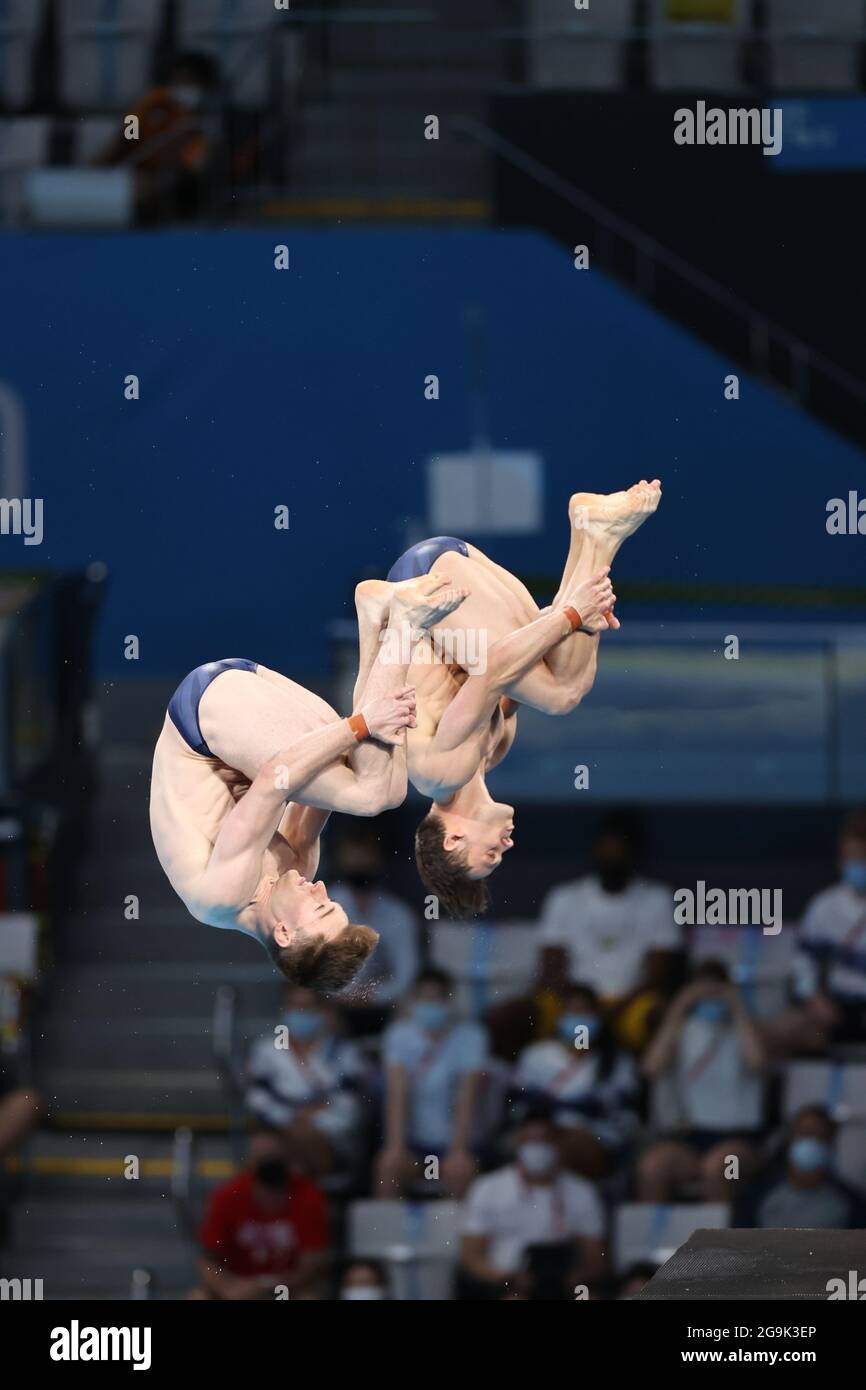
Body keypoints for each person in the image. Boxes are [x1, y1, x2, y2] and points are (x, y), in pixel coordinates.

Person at [353, 481, 661, 916]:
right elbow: (520, 658)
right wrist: (575, 621)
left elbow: (495, 666)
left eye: (492, 855)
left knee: (561, 696)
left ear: (454, 838)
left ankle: (597, 535)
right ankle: (591, 532)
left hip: (426, 587)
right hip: (451, 578)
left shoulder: (439, 773)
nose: (507, 845)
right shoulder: (492, 752)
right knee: (560, 673)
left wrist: (575, 615)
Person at [149, 576, 465, 988]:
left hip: (204, 718)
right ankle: (376, 618)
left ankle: (400, 625)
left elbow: (273, 781)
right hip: (242, 713)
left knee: (372, 793)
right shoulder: (297, 869)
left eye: (319, 908)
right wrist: (374, 725)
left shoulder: (220, 897)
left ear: (284, 933)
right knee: (380, 785)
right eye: (330, 901)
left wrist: (363, 723)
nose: (320, 888)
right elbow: (332, 776)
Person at [537, 809, 681, 1049]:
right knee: (515, 1015)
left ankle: (644, 1084)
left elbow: (659, 976)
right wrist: (581, 1006)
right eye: (607, 849)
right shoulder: (564, 898)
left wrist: (613, 1011)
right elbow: (550, 968)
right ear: (595, 850)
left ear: (634, 853)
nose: (613, 856)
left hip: (631, 1003)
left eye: (620, 850)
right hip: (573, 1000)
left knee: (659, 1016)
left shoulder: (657, 900)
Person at [638, 961, 766, 1203]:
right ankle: (654, 1239)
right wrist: (679, 1006)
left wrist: (737, 1006)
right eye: (701, 992)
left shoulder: (747, 1030)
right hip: (691, 1139)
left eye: (715, 992)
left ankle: (717, 1242)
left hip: (739, 1144)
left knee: (717, 1169)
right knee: (652, 1167)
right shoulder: (683, 1030)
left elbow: (758, 1063)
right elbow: (651, 1068)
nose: (709, 998)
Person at [459, 1113, 606, 1299]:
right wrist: (507, 1277)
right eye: (530, 1140)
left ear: (558, 1145)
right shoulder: (488, 1188)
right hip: (506, 1286)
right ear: (518, 1144)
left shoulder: (582, 1191)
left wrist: (576, 1276)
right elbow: (471, 1256)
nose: (537, 1148)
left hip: (564, 1287)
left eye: (544, 1139)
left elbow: (596, 1257)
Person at [375, 967, 488, 1199]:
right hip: (415, 1145)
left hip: (455, 1142)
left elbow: (467, 1098)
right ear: (414, 1001)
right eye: (425, 999)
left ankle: (457, 1234)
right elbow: (398, 1095)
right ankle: (387, 1233)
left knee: (459, 1170)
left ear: (449, 1001)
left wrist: (458, 1150)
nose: (431, 1005)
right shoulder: (399, 1035)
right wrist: (396, 1147)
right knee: (389, 1166)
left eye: (437, 999)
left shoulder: (472, 1036)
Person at [763, 807, 866, 1056]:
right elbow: (802, 962)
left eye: (862, 859)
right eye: (850, 858)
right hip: (836, 1013)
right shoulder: (825, 905)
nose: (855, 866)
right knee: (773, 1034)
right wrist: (813, 998)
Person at [513, 983, 640, 1179]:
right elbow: (519, 1106)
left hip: (596, 1138)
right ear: (560, 1017)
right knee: (536, 1140)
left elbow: (625, 1118)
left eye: (583, 1011)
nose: (578, 1019)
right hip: (541, 1133)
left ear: (597, 1017)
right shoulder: (536, 1056)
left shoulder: (618, 1062)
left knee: (565, 1145)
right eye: (572, 1011)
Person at [245, 986, 368, 1176]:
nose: (299, 1012)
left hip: (330, 1138)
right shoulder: (266, 1050)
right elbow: (257, 1100)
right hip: (280, 1129)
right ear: (284, 1009)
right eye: (294, 1006)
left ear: (322, 1011)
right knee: (264, 1146)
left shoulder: (345, 1052)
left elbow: (350, 1108)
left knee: (294, 1147)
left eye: (307, 1007)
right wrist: (291, 1119)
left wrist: (313, 1123)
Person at [194, 1129, 328, 1299]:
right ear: (251, 1161)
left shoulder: (308, 1195)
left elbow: (312, 1262)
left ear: (288, 1159)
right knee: (199, 1297)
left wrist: (270, 1287)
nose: (269, 1164)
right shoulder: (228, 1195)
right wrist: (227, 1288)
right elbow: (207, 1260)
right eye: (262, 1157)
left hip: (287, 1288)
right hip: (238, 1284)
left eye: (274, 1156)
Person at [95, 51, 220, 223]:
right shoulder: (152, 103)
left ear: (203, 86)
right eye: (178, 81)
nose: (182, 86)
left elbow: (194, 165)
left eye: (189, 82)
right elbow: (127, 134)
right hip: (138, 173)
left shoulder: (207, 120)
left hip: (176, 183)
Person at [329, 823, 421, 1028]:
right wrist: (348, 994)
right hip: (334, 1003)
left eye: (365, 857)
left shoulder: (399, 914)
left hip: (384, 1005)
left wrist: (375, 996)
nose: (358, 863)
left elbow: (406, 973)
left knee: (412, 1008)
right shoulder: (322, 905)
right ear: (340, 860)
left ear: (378, 862)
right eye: (353, 856)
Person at [735, 1105, 866, 1230]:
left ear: (831, 1144)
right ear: (791, 1138)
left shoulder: (851, 1203)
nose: (812, 1142)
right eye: (806, 1133)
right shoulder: (757, 1195)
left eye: (821, 1136)